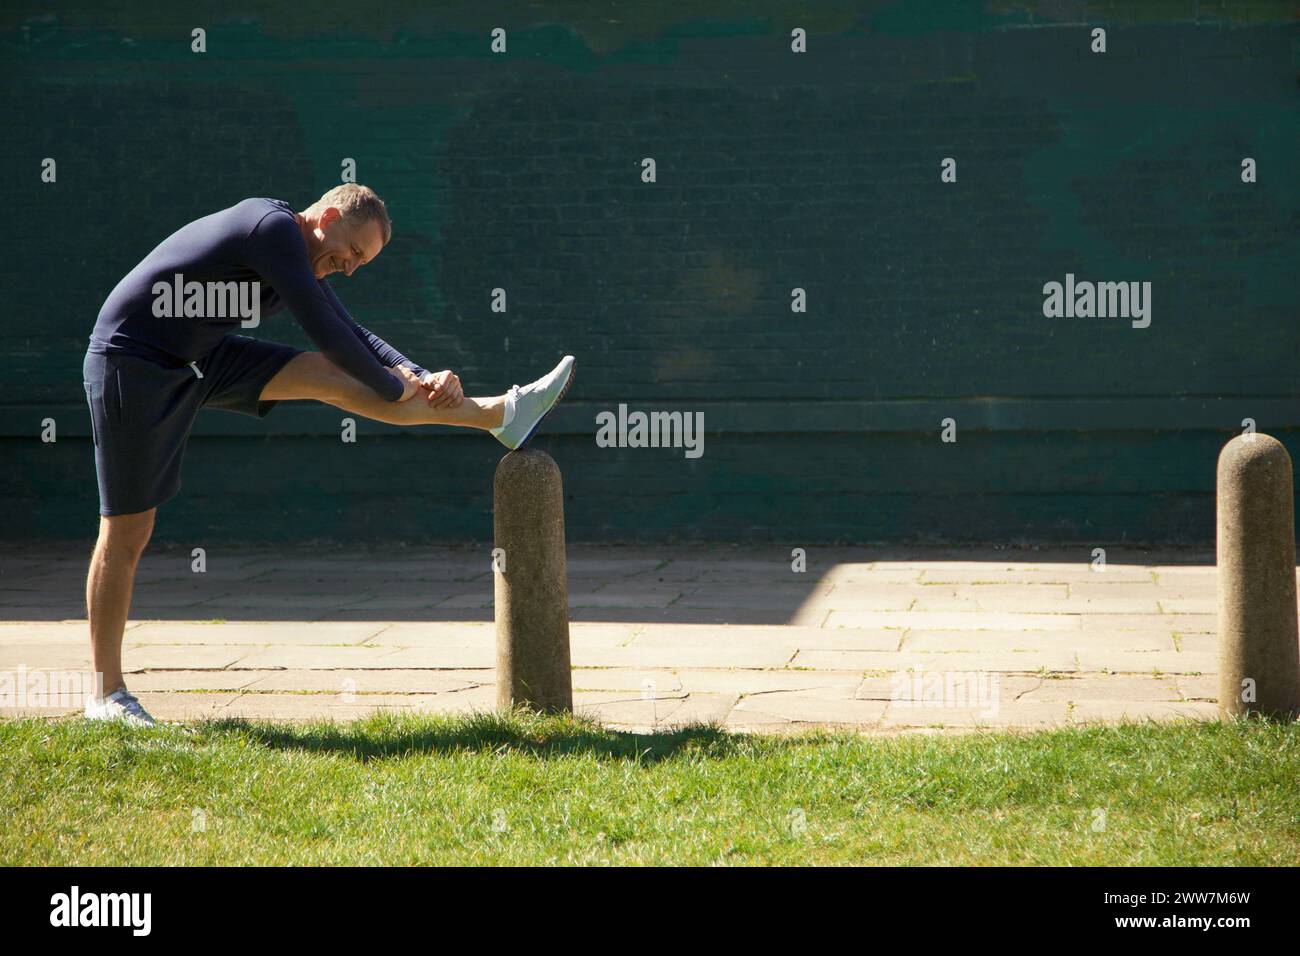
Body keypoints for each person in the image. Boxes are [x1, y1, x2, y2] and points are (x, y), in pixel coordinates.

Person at [81, 184, 574, 725]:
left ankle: (502, 414)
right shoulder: (270, 230)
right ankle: (107, 695)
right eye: (354, 253)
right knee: (127, 530)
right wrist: (395, 387)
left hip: (201, 354)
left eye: (361, 262)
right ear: (330, 216)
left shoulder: (301, 253)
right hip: (135, 361)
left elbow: (351, 329)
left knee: (335, 378)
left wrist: (419, 375)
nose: (351, 268)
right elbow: (327, 329)